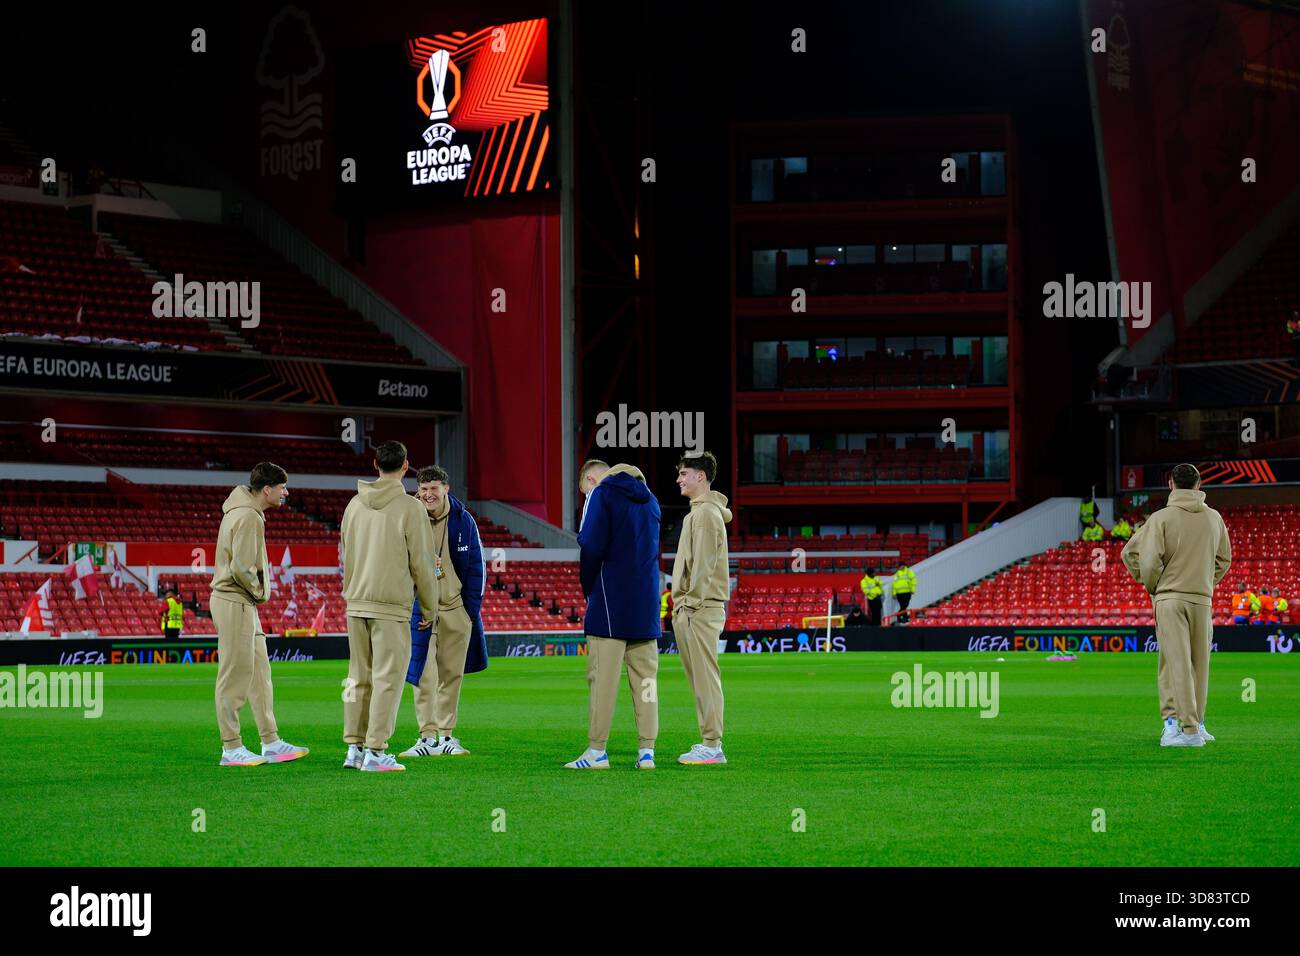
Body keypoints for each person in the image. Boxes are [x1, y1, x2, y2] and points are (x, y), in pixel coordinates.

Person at [341, 440, 440, 772]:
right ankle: (376, 751)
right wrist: (430, 607)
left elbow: (344, 555)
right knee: (388, 678)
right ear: (406, 466)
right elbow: (423, 565)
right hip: (390, 606)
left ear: (375, 465)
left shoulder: (354, 505)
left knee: (357, 677)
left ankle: (354, 748)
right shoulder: (411, 508)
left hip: (355, 603)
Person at [1121, 463, 1232, 748]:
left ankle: (1185, 729)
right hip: (1202, 599)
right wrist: (1203, 582)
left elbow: (1135, 555)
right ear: (1199, 484)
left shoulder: (1160, 518)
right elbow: (1224, 560)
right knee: (1200, 665)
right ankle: (1196, 723)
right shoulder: (1214, 517)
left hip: (1169, 598)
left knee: (1175, 664)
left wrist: (1154, 586)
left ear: (1171, 484)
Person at [209, 462, 309, 767]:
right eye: (282, 488)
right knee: (234, 676)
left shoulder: (241, 511)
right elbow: (240, 568)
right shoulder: (249, 516)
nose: (285, 493)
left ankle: (271, 740)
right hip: (234, 600)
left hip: (239, 603)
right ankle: (231, 748)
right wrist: (259, 592)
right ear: (267, 489)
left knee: (259, 674)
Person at [566, 459, 662, 770]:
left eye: (584, 492)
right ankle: (647, 751)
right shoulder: (651, 500)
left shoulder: (601, 494)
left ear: (593, 479)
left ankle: (597, 752)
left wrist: (590, 588)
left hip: (609, 603)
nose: (585, 498)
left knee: (602, 682)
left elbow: (590, 546)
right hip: (646, 606)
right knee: (646, 683)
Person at [399, 465, 487, 758]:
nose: (427, 494)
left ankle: (447, 736)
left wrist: (468, 612)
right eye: (423, 489)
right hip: (422, 610)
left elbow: (477, 568)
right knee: (423, 675)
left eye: (433, 489)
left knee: (451, 676)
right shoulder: (410, 518)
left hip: (454, 609)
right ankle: (426, 737)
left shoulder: (464, 521)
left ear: (446, 489)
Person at [671, 450, 733, 765]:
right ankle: (709, 742)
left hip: (700, 608)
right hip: (694, 607)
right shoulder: (699, 513)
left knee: (705, 677)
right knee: (700, 677)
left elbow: (705, 564)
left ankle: (712, 744)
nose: (679, 479)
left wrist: (689, 603)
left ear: (700, 476)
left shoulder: (706, 515)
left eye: (684, 473)